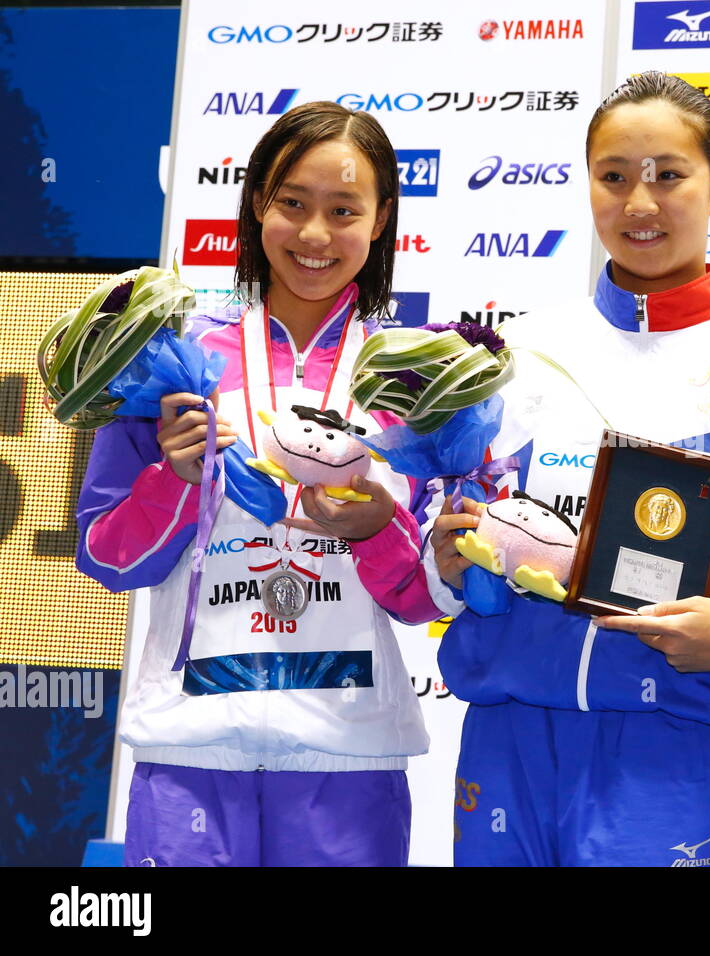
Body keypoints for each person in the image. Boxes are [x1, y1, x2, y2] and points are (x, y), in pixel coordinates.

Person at [425, 72, 710, 867]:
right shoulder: (519, 355)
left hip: (673, 747)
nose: (640, 203)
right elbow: (452, 541)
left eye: (669, 175)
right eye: (614, 176)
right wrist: (445, 559)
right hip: (506, 741)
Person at [76, 102, 437, 866]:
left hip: (348, 758)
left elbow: (427, 598)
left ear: (380, 223)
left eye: (343, 211)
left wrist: (376, 527)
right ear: (255, 206)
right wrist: (173, 479)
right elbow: (106, 559)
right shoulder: (173, 358)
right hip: (190, 753)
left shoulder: (413, 380)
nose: (313, 235)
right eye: (292, 204)